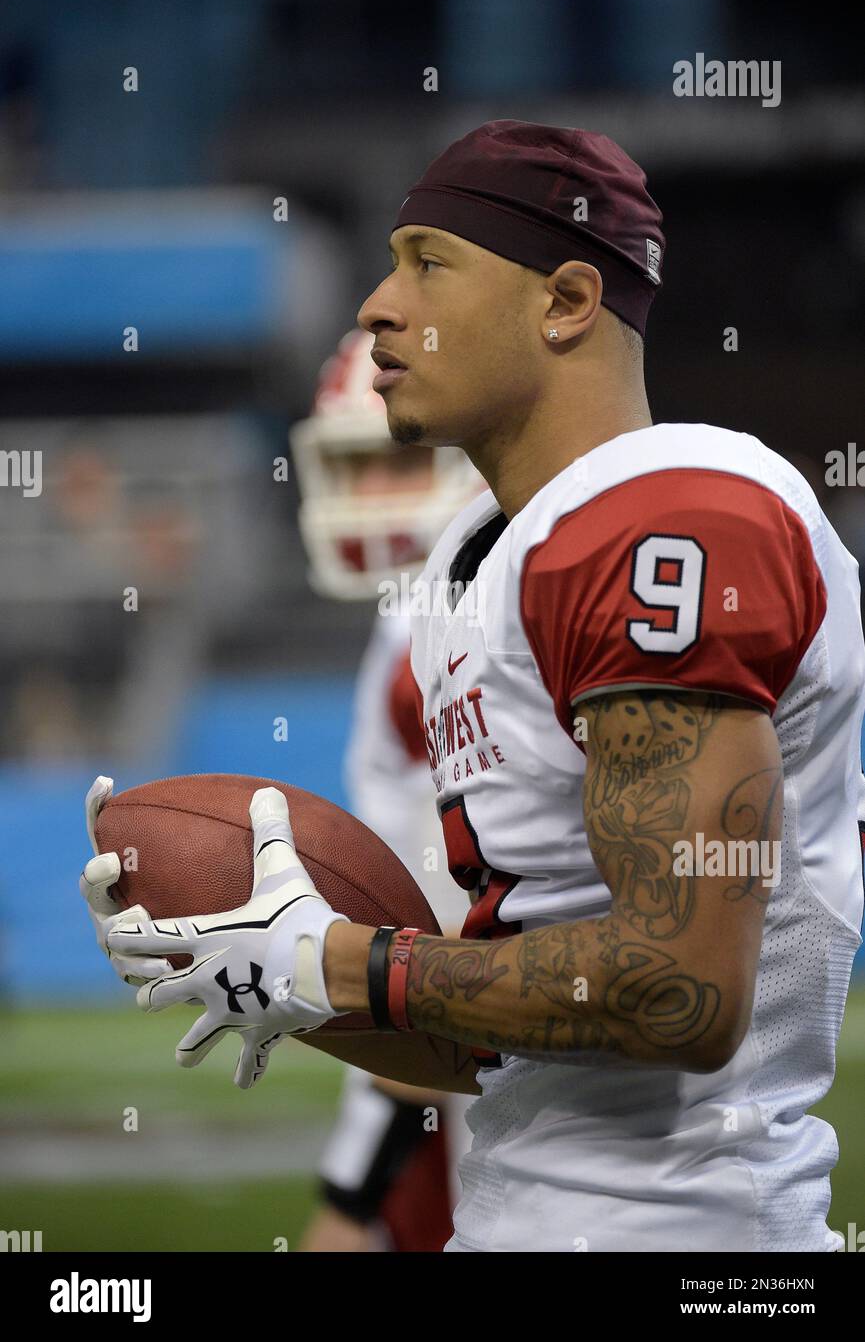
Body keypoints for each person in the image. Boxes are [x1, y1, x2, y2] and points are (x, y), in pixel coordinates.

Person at [85, 120, 865, 1253]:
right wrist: (252, 959)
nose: (376, 306)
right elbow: (483, 1041)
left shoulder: (673, 516)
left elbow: (680, 989)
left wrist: (336, 958)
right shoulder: (477, 558)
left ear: (565, 300)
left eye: (428, 262)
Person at [289, 329, 474, 1251]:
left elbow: (434, 973)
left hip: (500, 1056)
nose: (360, 500)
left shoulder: (453, 638)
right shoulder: (414, 616)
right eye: (350, 467)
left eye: (385, 464)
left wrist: (350, 1195)